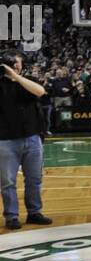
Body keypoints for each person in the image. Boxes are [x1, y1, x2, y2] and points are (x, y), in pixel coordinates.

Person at [0, 53, 53, 230]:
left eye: (17, 63)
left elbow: (40, 91)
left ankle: (34, 212)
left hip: (32, 137)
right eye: (11, 63)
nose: (14, 66)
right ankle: (12, 216)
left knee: (34, 179)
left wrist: (16, 77)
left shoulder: (27, 80)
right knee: (8, 182)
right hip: (6, 140)